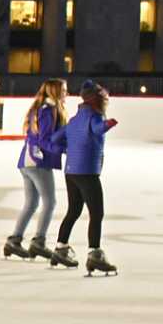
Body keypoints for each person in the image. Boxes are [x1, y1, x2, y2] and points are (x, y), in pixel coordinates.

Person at [53, 79, 119, 276]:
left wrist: (69, 150)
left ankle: (60, 248)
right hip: (87, 172)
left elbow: (55, 138)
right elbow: (97, 129)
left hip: (71, 172)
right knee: (96, 213)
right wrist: (109, 123)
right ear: (97, 99)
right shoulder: (94, 116)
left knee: (73, 210)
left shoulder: (74, 120)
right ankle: (94, 254)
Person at [6, 79, 67, 261]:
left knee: (32, 203)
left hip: (27, 162)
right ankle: (38, 241)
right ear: (55, 92)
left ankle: (14, 240)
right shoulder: (49, 111)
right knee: (50, 202)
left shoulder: (43, 109)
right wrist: (65, 150)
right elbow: (43, 140)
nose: (66, 93)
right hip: (38, 162)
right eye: (63, 90)